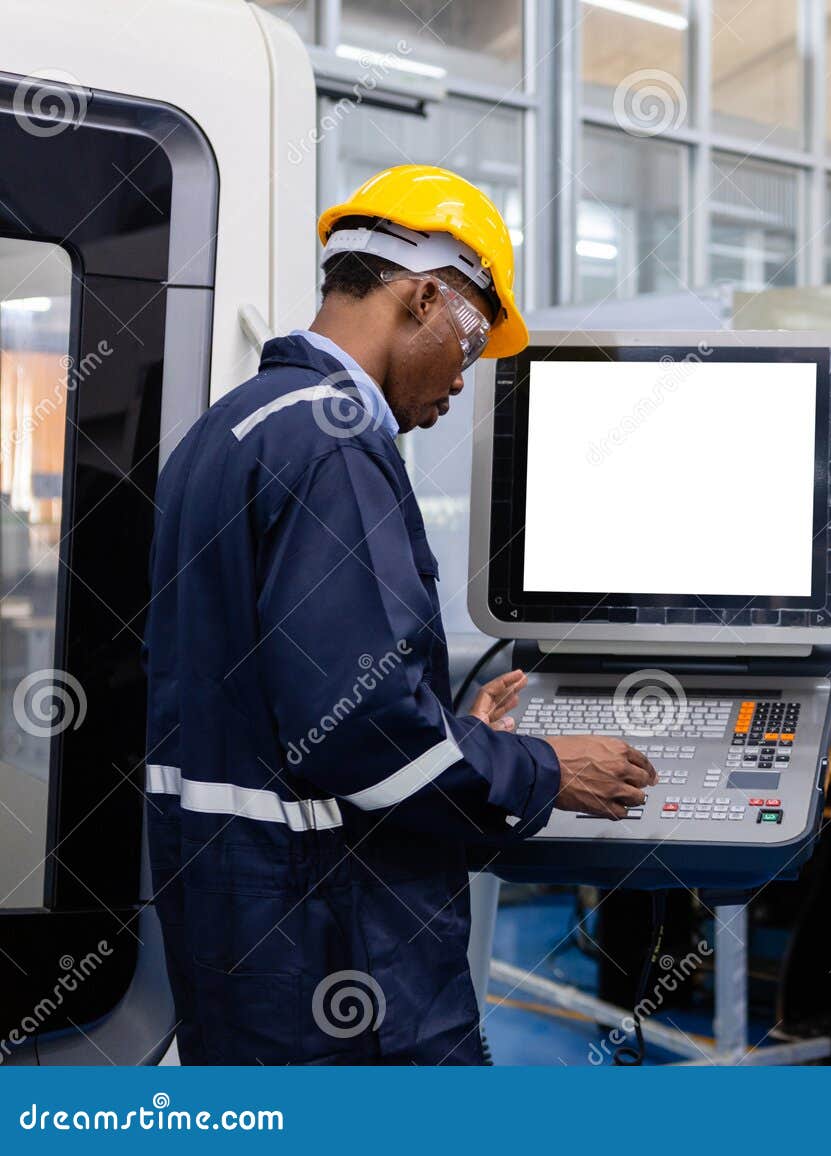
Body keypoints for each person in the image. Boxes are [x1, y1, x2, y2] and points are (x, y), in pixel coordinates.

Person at [143, 164, 655, 1064]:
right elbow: (362, 736)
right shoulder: (337, 440)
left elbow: (291, 703)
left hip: (243, 941)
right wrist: (541, 768)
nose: (462, 383)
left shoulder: (236, 427)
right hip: (342, 960)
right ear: (422, 297)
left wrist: (453, 734)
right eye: (467, 346)